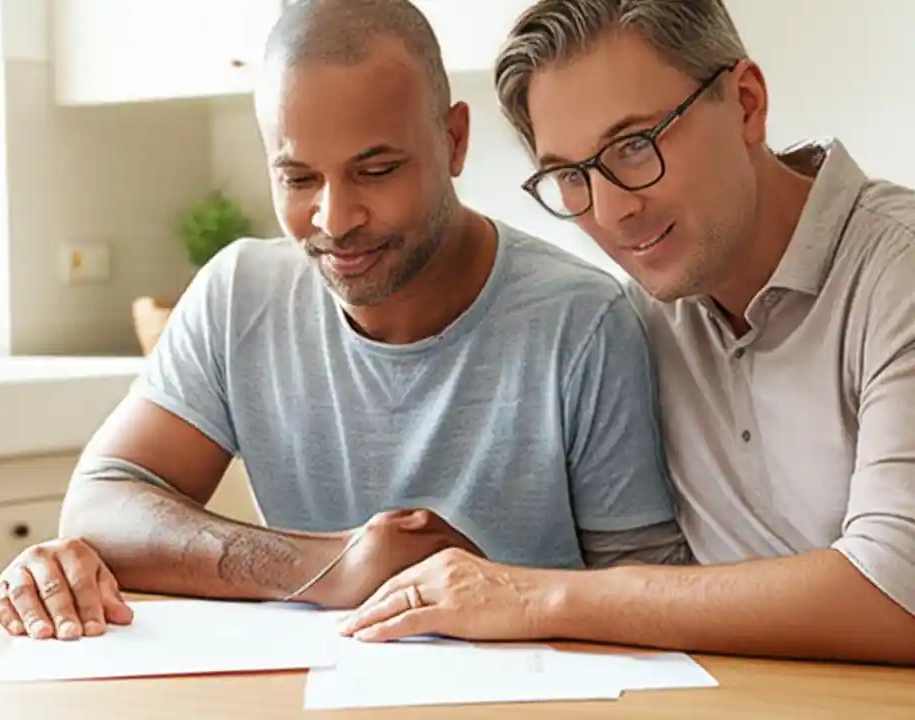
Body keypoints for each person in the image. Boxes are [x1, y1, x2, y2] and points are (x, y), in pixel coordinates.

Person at [0, 0, 689, 642]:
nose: (334, 220)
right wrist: (331, 565)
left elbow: (649, 604)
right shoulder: (240, 294)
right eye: (297, 179)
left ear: (454, 141)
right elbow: (101, 502)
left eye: (377, 170)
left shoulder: (585, 322)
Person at [340, 0, 915, 665]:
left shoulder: (895, 274)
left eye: (636, 146)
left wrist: (538, 598)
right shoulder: (635, 316)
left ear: (747, 103)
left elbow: (896, 590)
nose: (613, 211)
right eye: (570, 176)